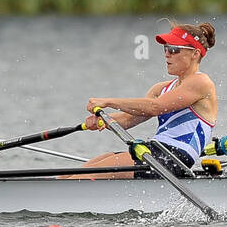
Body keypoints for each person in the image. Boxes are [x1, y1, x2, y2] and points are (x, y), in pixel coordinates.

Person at [79, 22, 218, 177]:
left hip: (174, 159)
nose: (167, 54)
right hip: (155, 152)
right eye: (166, 48)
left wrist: (108, 102)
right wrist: (102, 121)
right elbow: (128, 119)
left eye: (174, 49)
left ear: (195, 54)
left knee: (84, 177)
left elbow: (155, 107)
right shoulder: (161, 89)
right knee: (76, 172)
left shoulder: (201, 83)